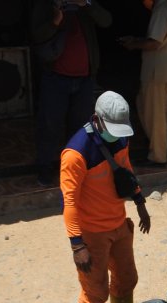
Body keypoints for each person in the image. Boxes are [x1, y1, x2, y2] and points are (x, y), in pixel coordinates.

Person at [61, 91, 152, 303]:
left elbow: (125, 168)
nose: (116, 135)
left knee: (127, 279)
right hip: (92, 235)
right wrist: (77, 245)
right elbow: (69, 202)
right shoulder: (75, 155)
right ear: (97, 120)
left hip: (119, 225)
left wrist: (140, 201)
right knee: (95, 293)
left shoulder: (121, 138)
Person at [32, 0, 114, 186]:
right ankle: (45, 168)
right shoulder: (47, 5)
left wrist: (86, 4)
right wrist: (55, 21)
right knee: (50, 126)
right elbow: (36, 35)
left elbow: (106, 21)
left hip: (84, 79)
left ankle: (74, 168)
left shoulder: (85, 6)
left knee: (80, 129)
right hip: (56, 78)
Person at [119, 0, 167, 167]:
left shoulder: (161, 11)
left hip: (156, 73)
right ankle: (157, 151)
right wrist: (137, 39)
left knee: (154, 116)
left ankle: (158, 156)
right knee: (147, 109)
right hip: (164, 71)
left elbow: (154, 43)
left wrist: (134, 44)